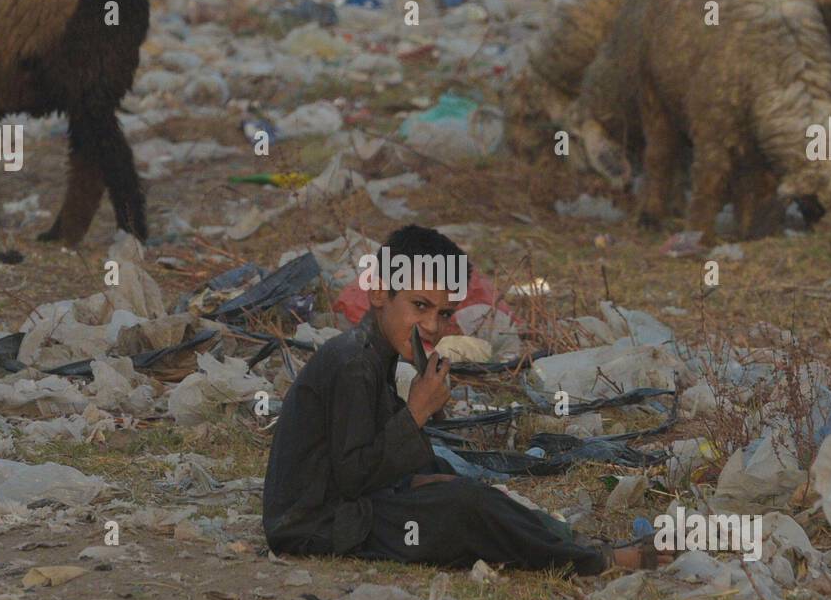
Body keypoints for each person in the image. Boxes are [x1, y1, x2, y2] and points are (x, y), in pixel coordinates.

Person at [262, 224, 665, 575]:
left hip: (348, 508)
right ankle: (595, 562)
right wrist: (417, 409)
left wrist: (425, 453)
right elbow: (353, 477)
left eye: (443, 313)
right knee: (464, 505)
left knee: (465, 491)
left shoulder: (376, 353)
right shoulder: (352, 361)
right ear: (380, 292)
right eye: (420, 306)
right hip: (317, 525)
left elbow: (376, 458)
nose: (432, 326)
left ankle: (573, 542)